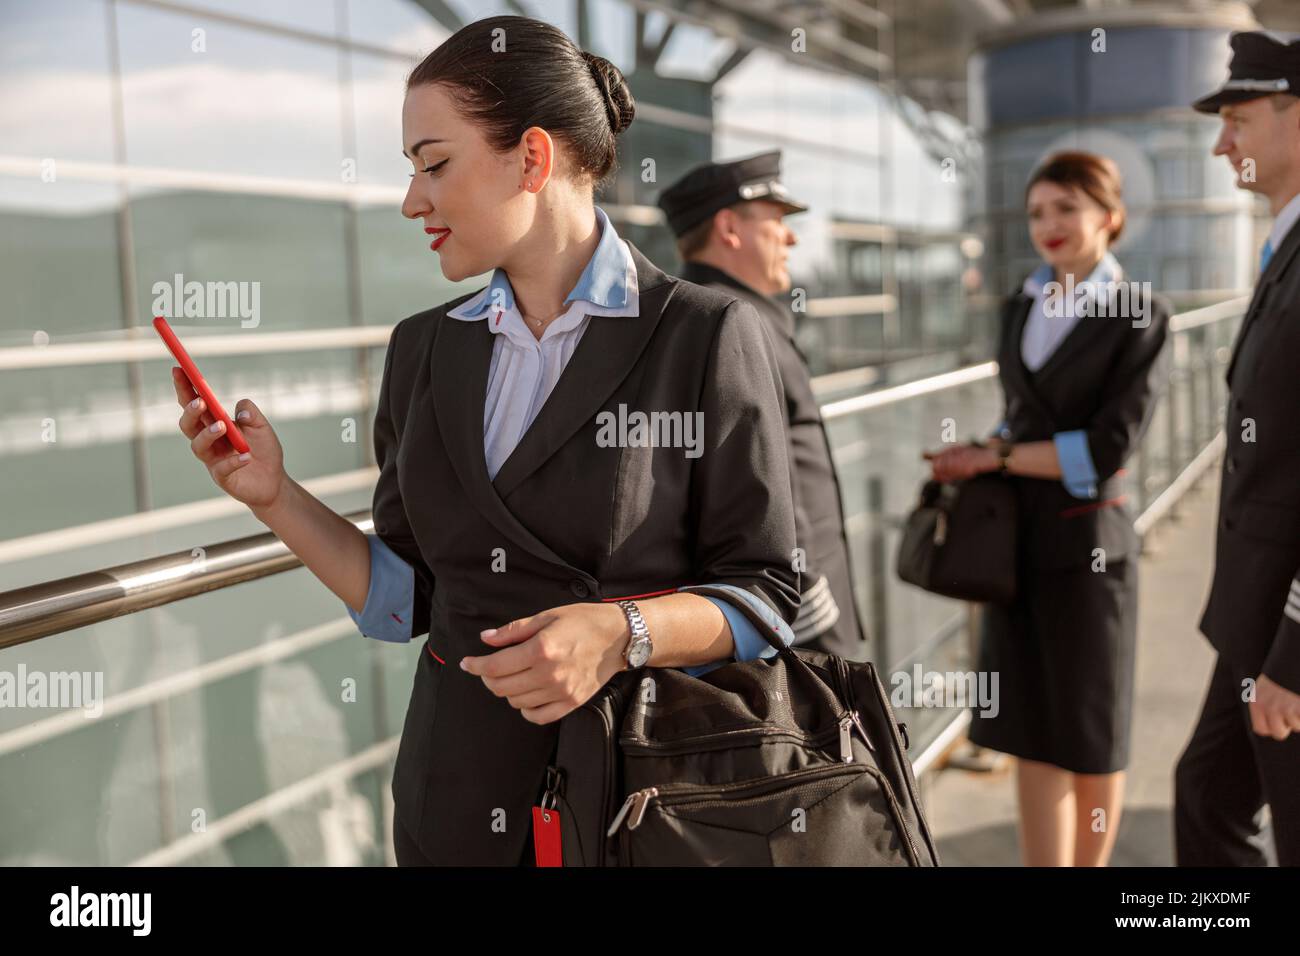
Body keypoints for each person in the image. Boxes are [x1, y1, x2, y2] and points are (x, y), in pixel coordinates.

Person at [166, 15, 800, 866]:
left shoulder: (706, 333)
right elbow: (406, 600)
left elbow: (765, 596)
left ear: (532, 158)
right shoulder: (423, 350)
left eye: (434, 164)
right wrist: (276, 498)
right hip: (455, 795)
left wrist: (623, 632)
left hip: (643, 802)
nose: (411, 199)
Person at [924, 151, 1170, 866]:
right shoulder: (1021, 304)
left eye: (1067, 208)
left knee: (1091, 739)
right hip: (1016, 551)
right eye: (1037, 212)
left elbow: (1105, 452)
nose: (1049, 225)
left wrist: (996, 458)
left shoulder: (1140, 315)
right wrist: (981, 448)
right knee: (1031, 733)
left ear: (1110, 217)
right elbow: (1023, 420)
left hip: (1090, 551)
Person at [655, 151, 868, 660]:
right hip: (794, 616)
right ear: (730, 228)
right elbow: (767, 473)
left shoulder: (709, 312)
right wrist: (810, 610)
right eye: (776, 222)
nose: (791, 237)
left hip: (780, 607)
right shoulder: (732, 319)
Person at [1176, 29, 1300, 867]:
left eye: (1241, 121)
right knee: (1206, 798)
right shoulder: (1284, 247)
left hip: (1286, 632)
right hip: (1256, 619)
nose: (1223, 143)